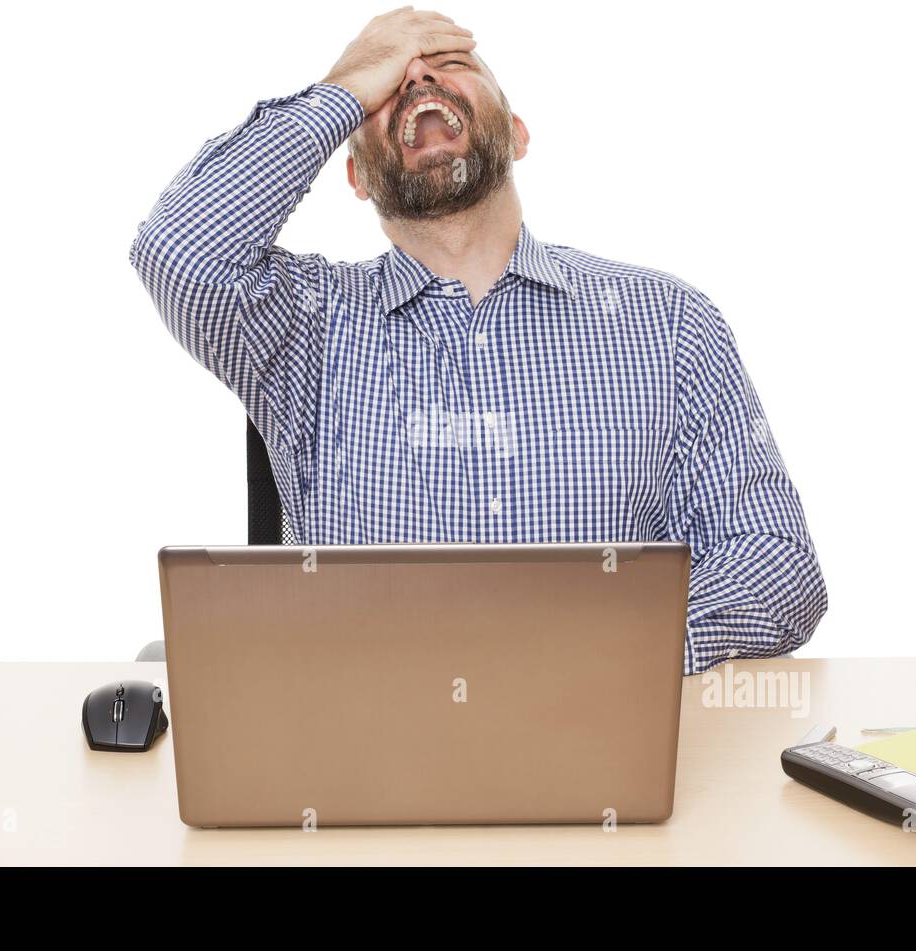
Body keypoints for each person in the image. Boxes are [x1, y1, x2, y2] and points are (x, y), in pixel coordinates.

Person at [128, 7, 827, 673]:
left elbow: (774, 563)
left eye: (450, 63)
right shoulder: (305, 324)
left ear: (517, 134)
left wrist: (598, 653)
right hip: (373, 762)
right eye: (388, 82)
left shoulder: (669, 322)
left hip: (596, 738)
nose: (417, 80)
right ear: (356, 176)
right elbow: (180, 249)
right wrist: (344, 87)